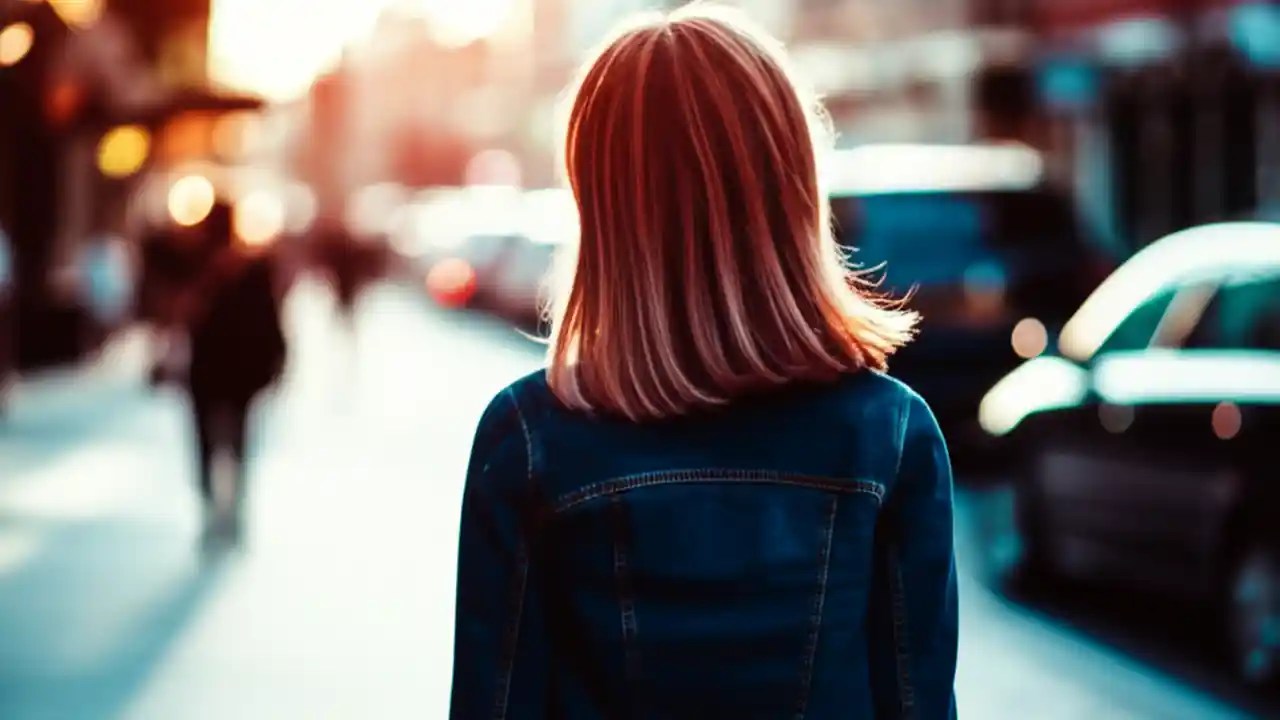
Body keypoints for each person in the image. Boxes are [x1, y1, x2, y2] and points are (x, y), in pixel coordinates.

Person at [449, 6, 958, 719]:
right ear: (794, 188)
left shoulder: (528, 440)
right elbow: (919, 703)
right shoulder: (892, 434)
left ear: (602, 207)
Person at [181, 201, 286, 539]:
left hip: (215, 370)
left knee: (209, 443)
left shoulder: (202, 268)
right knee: (233, 441)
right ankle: (229, 507)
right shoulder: (240, 267)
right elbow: (270, 319)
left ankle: (218, 507)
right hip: (235, 370)